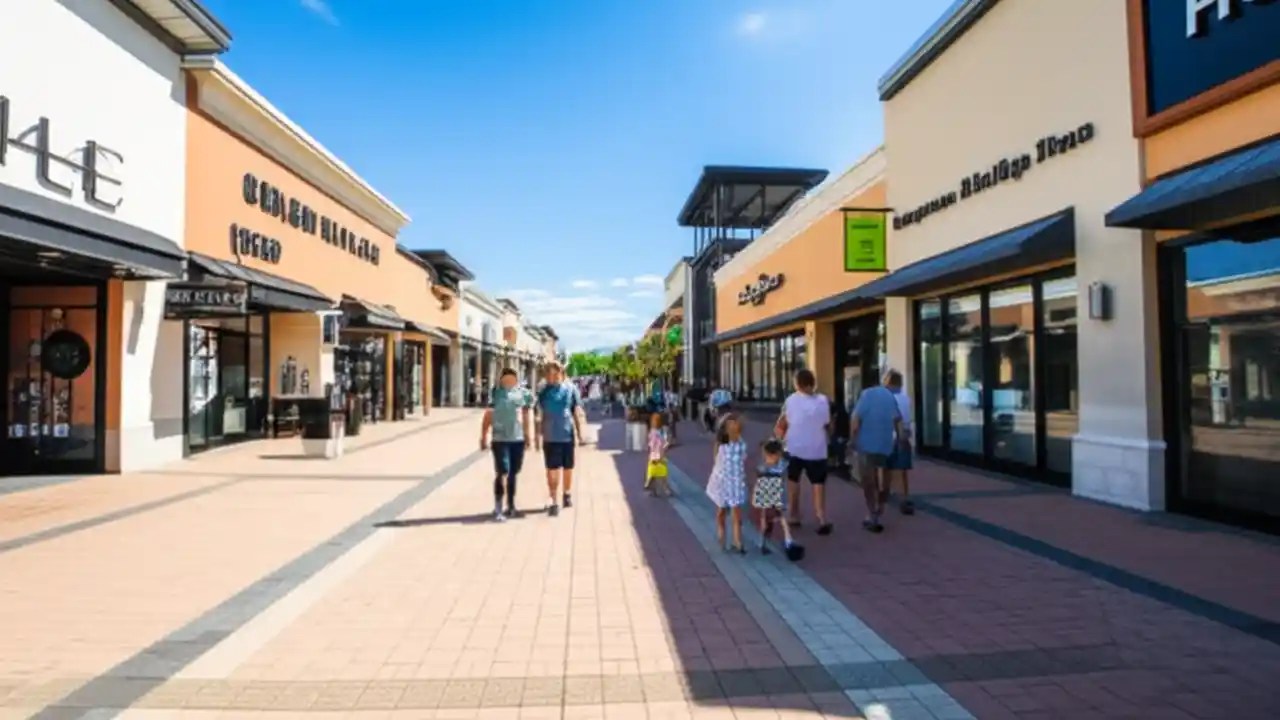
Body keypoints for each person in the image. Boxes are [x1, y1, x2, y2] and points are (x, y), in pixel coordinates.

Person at [775, 369, 833, 535]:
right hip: (817, 449)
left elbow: (781, 424)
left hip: (794, 448)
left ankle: (794, 515)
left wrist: (778, 440)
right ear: (812, 383)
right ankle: (821, 517)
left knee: (794, 481)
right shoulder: (823, 401)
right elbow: (828, 424)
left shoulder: (791, 400)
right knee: (818, 484)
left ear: (797, 384)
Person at [849, 378, 904, 533]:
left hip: (866, 444)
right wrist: (900, 439)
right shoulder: (889, 396)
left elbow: (856, 419)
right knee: (886, 475)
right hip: (886, 444)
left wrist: (853, 439)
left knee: (868, 479)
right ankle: (881, 505)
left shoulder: (865, 395)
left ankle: (872, 513)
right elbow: (898, 419)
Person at [480, 368, 533, 521]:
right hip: (500, 439)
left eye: (512, 379)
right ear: (501, 380)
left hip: (518, 439)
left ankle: (510, 505)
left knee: (513, 473)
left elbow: (525, 413)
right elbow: (488, 415)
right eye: (506, 379)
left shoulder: (523, 393)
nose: (509, 381)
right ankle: (498, 507)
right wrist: (483, 435)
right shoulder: (495, 393)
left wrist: (528, 434)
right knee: (503, 471)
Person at [534, 361, 586, 517]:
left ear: (561, 374)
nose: (552, 376)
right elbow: (538, 414)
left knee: (568, 467)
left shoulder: (571, 389)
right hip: (550, 436)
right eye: (549, 374)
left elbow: (576, 411)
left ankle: (567, 493)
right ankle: (554, 498)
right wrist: (537, 435)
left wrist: (580, 432)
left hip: (567, 434)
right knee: (552, 469)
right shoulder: (542, 392)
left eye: (555, 373)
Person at [706, 414, 748, 554]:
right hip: (722, 480)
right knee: (721, 511)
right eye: (730, 425)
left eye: (735, 424)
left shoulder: (741, 444)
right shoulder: (720, 444)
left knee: (736, 512)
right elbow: (715, 460)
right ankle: (721, 533)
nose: (733, 428)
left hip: (735, 481)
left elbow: (743, 460)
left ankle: (737, 540)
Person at [752, 439, 799, 556]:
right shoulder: (781, 464)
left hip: (765, 493)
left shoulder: (762, 466)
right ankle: (788, 540)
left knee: (766, 517)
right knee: (781, 516)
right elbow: (789, 458)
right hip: (777, 493)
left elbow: (758, 475)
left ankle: (762, 542)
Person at [883, 369, 915, 515]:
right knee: (901, 470)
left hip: (891, 436)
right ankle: (903, 496)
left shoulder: (888, 399)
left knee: (888, 467)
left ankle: (888, 493)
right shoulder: (906, 398)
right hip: (904, 437)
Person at [645, 412, 672, 497]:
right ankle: (664, 490)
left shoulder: (653, 433)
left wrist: (650, 454)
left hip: (654, 456)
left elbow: (650, 445)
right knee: (662, 473)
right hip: (660, 455)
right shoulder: (660, 433)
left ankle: (653, 489)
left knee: (654, 473)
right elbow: (663, 444)